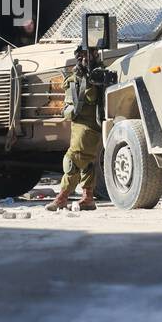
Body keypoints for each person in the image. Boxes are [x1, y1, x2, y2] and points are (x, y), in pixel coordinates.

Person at [47, 45, 104, 212]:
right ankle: (88, 198)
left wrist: (89, 78)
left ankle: (62, 197)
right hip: (77, 123)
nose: (84, 58)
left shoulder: (98, 74)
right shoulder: (76, 75)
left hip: (90, 124)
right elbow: (68, 101)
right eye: (81, 55)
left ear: (95, 54)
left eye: (88, 54)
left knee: (72, 159)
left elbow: (93, 98)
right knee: (86, 162)